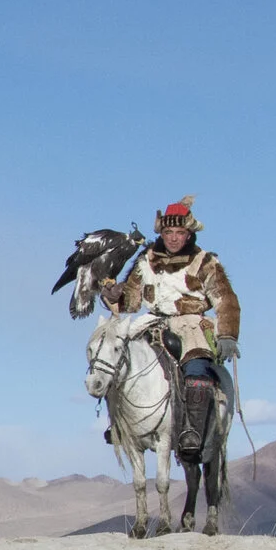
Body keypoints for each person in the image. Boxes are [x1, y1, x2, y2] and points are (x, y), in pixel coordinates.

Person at [103, 196, 239, 457]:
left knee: (196, 367)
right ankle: (119, 425)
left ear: (189, 234)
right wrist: (113, 296)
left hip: (191, 325)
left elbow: (226, 300)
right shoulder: (147, 261)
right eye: (168, 232)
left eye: (179, 232)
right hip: (152, 321)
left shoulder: (205, 262)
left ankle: (192, 431)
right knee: (114, 357)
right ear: (161, 233)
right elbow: (131, 301)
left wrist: (228, 334)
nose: (174, 238)